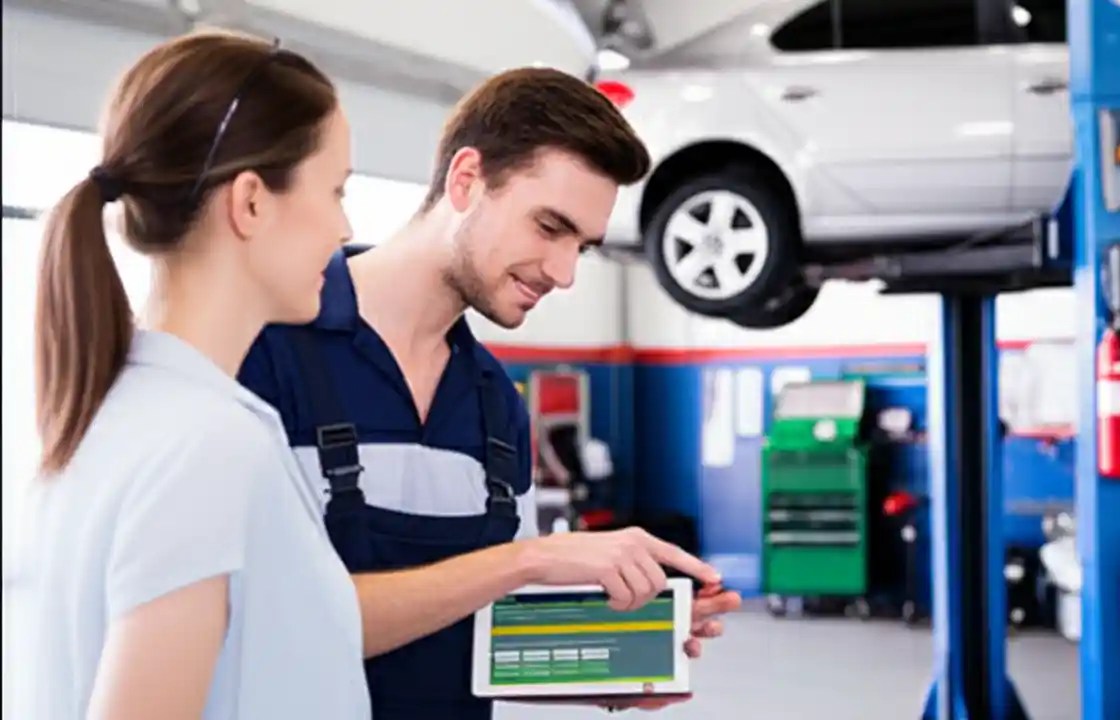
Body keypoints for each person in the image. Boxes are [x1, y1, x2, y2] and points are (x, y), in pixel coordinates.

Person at [236, 67, 743, 719]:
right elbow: (259, 625)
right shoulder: (265, 351)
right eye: (548, 227)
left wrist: (617, 665)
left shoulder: (497, 408)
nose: (562, 273)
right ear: (466, 180)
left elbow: (481, 645)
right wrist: (529, 561)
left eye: (581, 248)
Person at [7, 31, 370, 719]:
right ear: (252, 202)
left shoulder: (107, 420)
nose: (344, 228)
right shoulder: (208, 447)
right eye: (335, 190)